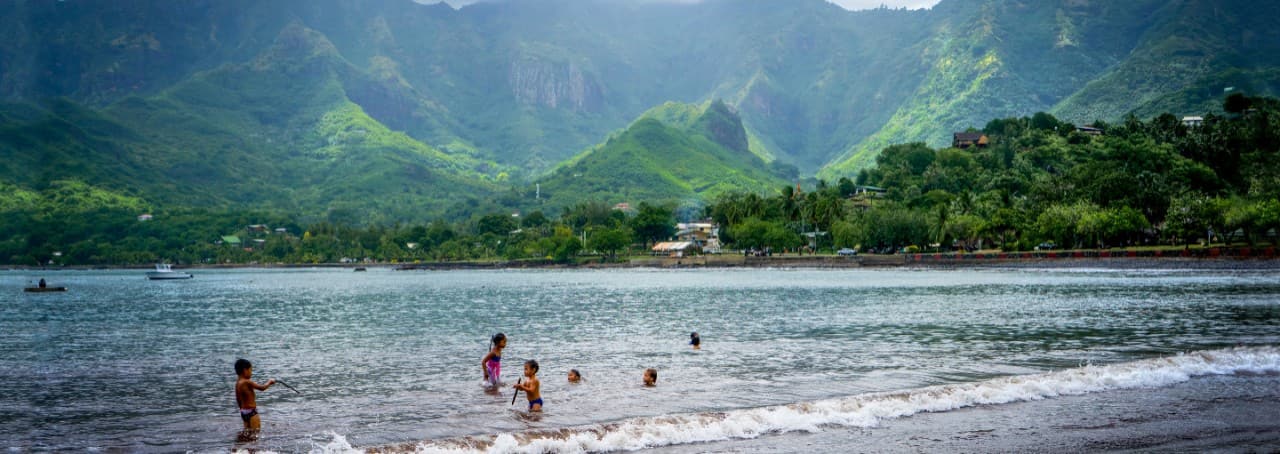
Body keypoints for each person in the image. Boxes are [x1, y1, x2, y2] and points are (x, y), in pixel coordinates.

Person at [234, 358, 275, 431]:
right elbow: (262, 388)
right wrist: (269, 382)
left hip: (243, 412)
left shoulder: (237, 383)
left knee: (247, 433)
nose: (251, 373)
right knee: (255, 434)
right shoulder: (247, 382)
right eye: (250, 370)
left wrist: (241, 410)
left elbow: (238, 399)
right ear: (245, 370)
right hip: (252, 412)